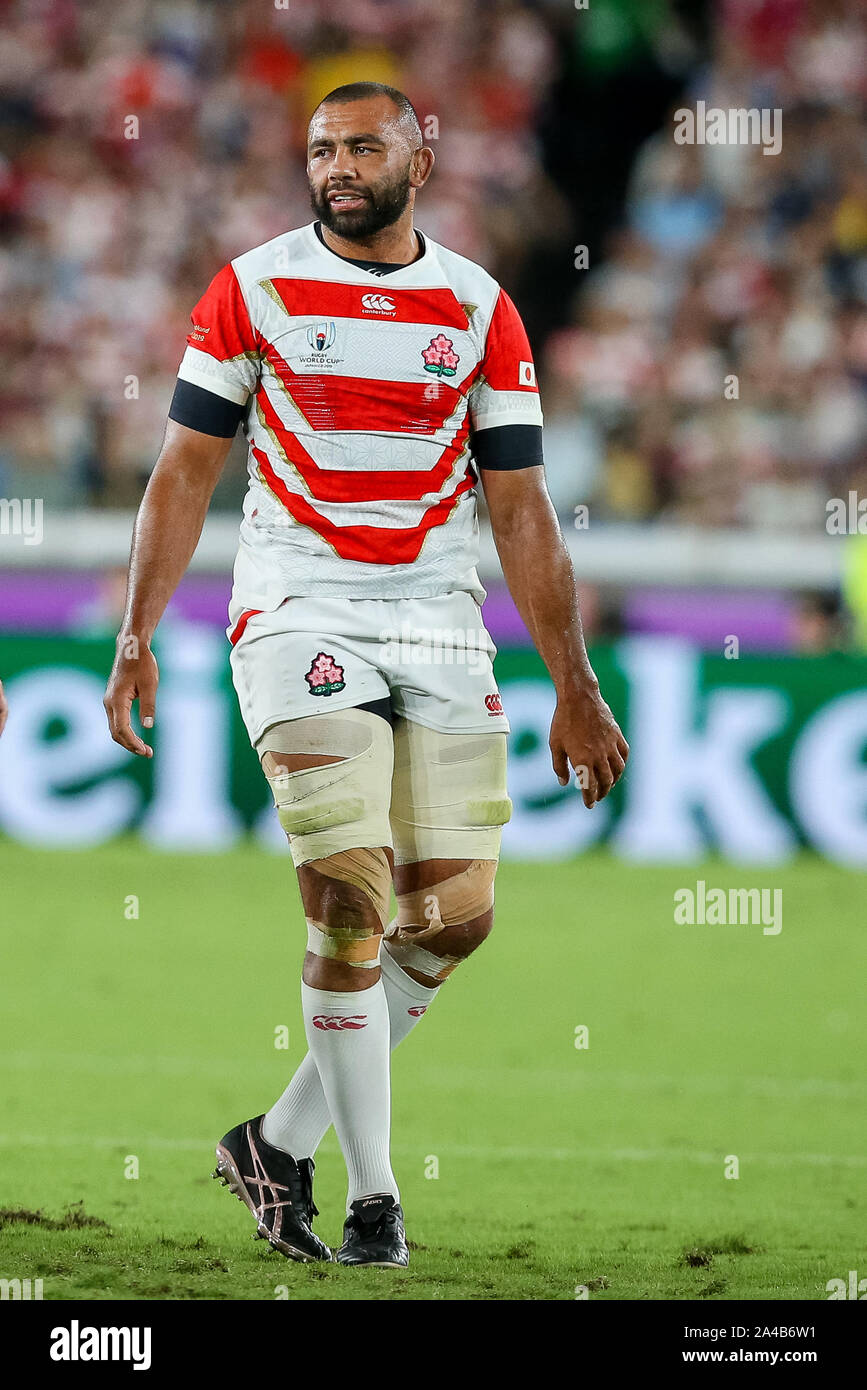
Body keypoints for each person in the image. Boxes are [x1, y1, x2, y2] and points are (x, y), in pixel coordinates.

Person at [104, 82, 628, 1269]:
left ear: (420, 160)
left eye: (360, 147)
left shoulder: (480, 308)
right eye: (320, 150)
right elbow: (184, 471)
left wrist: (576, 680)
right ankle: (374, 1197)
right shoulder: (254, 288)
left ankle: (274, 1141)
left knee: (452, 920)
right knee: (347, 895)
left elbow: (521, 505)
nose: (336, 166)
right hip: (298, 611)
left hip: (439, 617)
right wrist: (138, 630)